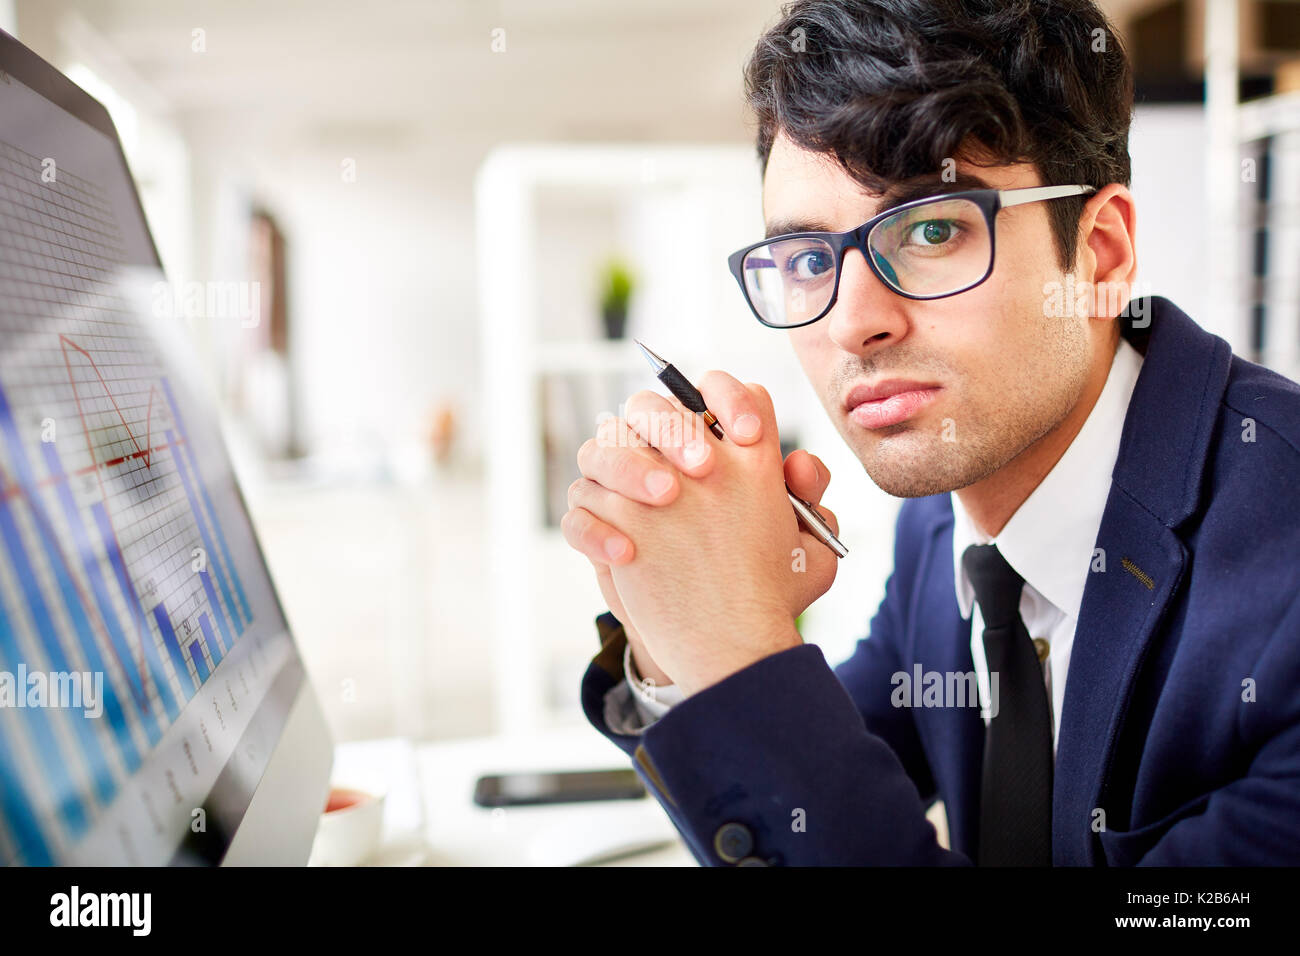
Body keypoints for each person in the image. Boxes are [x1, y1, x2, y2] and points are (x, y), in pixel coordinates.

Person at [560, 0, 1300, 865]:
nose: (852, 323)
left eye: (933, 229)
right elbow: (825, 794)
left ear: (1098, 255)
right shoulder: (946, 516)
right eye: (807, 259)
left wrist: (736, 651)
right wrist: (673, 624)